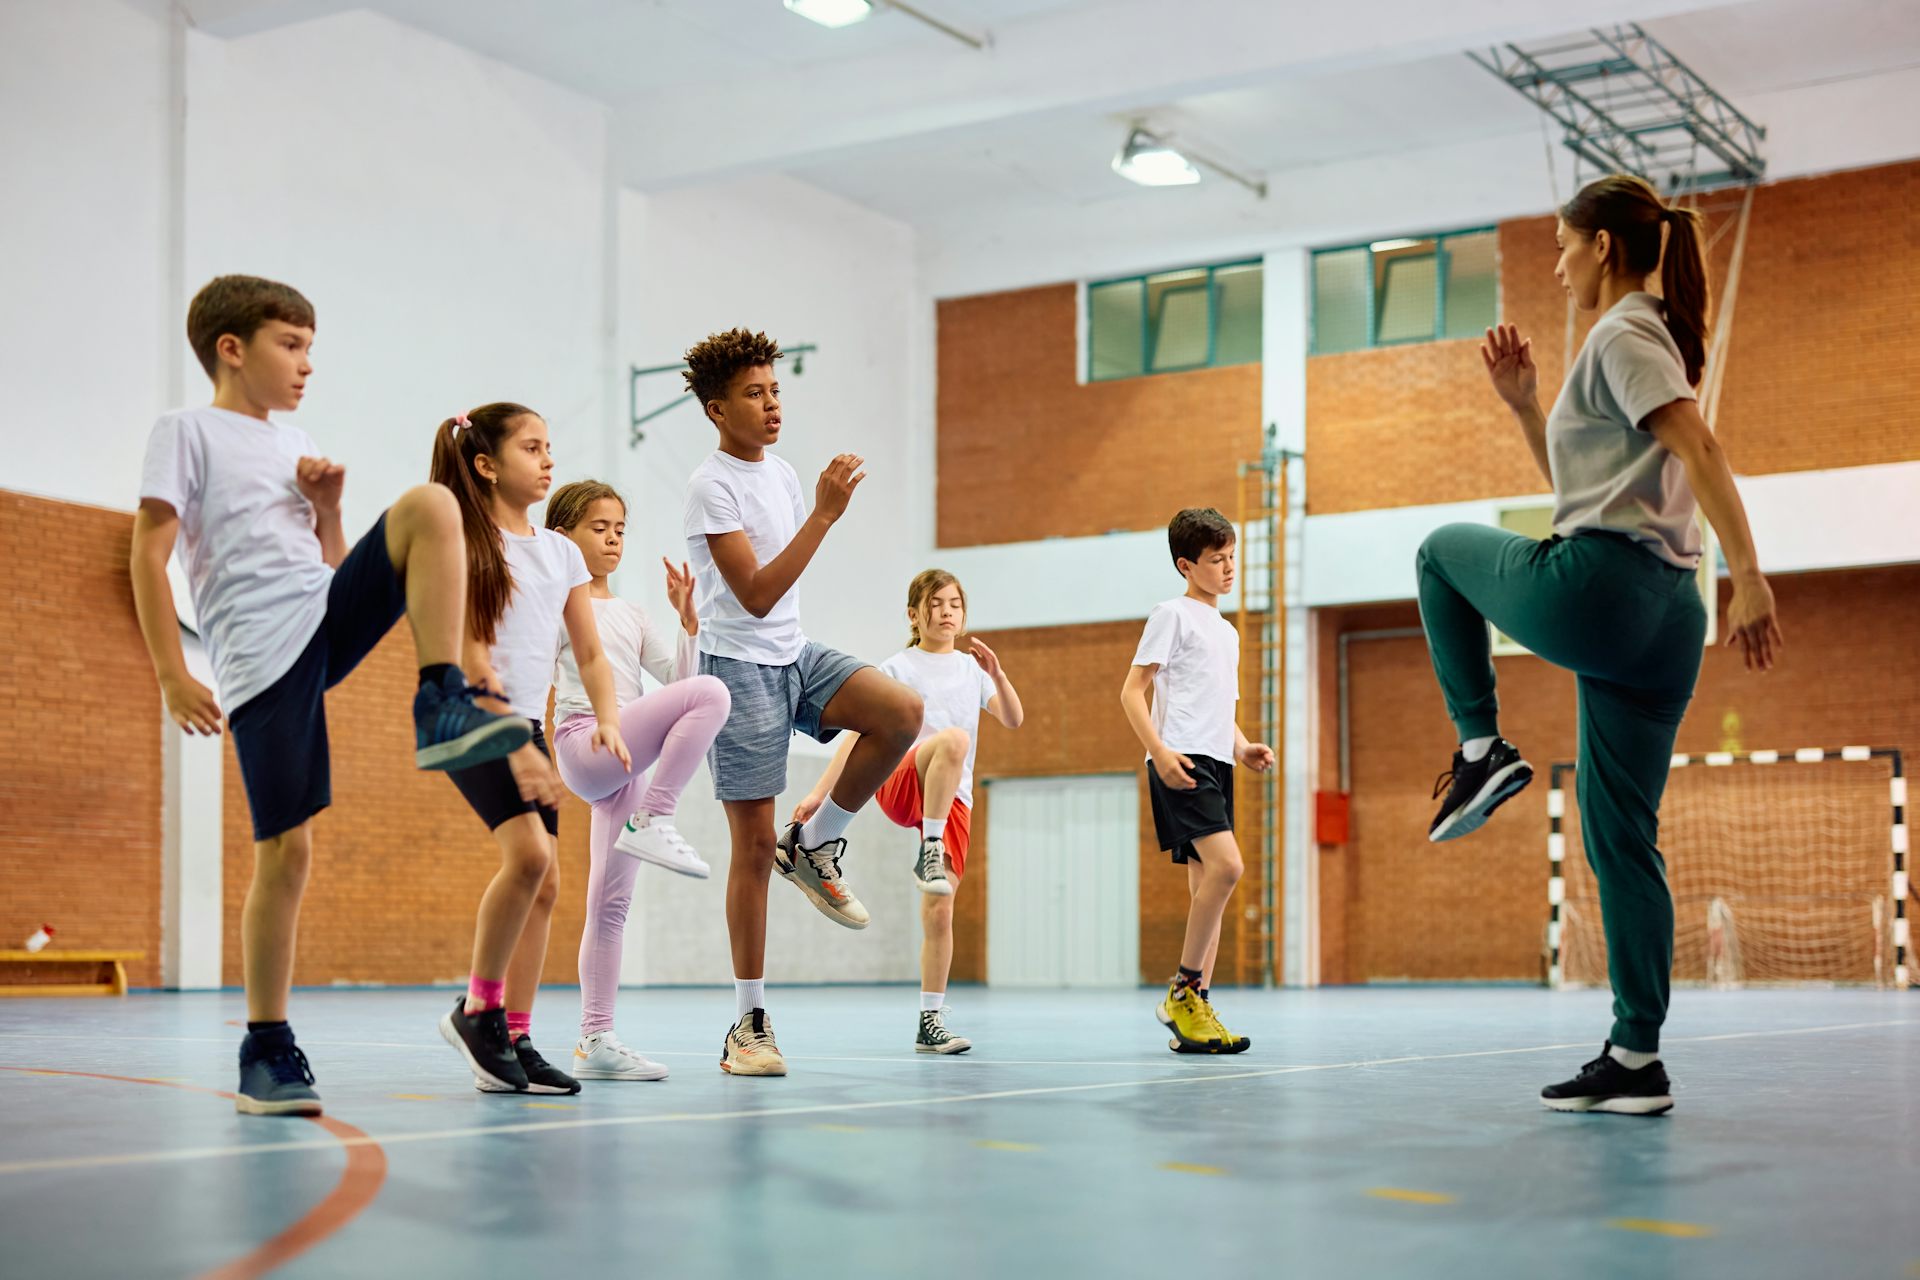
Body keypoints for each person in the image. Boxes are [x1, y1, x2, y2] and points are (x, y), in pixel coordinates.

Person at [1416, 174, 1783, 1116]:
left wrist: (1754, 573)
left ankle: (1479, 748)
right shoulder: (1638, 341)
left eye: (1562, 244)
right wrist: (1525, 404)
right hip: (1666, 620)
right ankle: (1635, 1058)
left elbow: (1701, 447)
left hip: (1608, 591)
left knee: (1439, 552)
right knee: (1622, 838)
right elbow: (1585, 492)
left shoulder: (1622, 332)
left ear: (1605, 248)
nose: (1558, 261)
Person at [130, 275, 528, 1115]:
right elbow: (147, 551)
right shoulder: (186, 431)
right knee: (289, 853)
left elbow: (329, 567)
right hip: (259, 660)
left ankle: (440, 695)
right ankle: (266, 1049)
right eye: (292, 344)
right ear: (231, 349)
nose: (308, 363)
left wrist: (328, 512)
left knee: (431, 504)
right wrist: (171, 670)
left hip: (318, 616)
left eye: (311, 347)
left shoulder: (294, 443)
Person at [680, 327, 922, 1076]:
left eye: (776, 390)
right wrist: (823, 515)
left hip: (795, 655)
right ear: (719, 410)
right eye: (754, 395)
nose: (771, 404)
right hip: (739, 667)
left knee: (901, 712)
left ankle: (813, 843)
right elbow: (752, 596)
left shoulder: (781, 474)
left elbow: (779, 607)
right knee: (749, 850)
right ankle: (748, 1025)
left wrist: (812, 505)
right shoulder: (709, 485)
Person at [428, 404, 632, 1095]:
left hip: (527, 724)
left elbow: (591, 652)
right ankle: (477, 1010)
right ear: (485, 465)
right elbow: (468, 644)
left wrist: (607, 718)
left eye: (551, 448)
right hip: (469, 714)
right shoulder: (464, 536)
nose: (549, 460)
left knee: (546, 885)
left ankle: (513, 1034)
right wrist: (506, 732)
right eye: (532, 448)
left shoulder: (561, 552)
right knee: (531, 856)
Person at [546, 479, 731, 1082]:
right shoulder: (555, 602)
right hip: (586, 740)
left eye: (620, 529)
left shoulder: (631, 612)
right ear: (562, 535)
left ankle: (594, 1039)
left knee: (610, 905)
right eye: (598, 528)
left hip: (628, 756)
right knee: (713, 694)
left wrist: (688, 621)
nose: (612, 539)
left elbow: (677, 678)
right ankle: (656, 817)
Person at [796, 569, 1024, 1053]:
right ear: (914, 614)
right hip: (903, 782)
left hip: (953, 796)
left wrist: (999, 675)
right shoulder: (896, 668)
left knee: (940, 912)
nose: (946, 611)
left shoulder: (971, 670)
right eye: (936, 603)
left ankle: (930, 1019)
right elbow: (859, 737)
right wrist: (820, 792)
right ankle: (931, 846)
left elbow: (1012, 718)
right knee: (954, 740)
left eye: (955, 604)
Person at [1121, 508, 1274, 1055]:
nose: (1229, 568)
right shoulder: (1172, 615)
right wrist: (1159, 752)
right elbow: (1132, 692)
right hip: (1180, 759)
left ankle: (1195, 1016)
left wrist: (1243, 744)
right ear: (1187, 565)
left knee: (1204, 888)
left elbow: (1213, 704)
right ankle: (1182, 991)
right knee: (1229, 867)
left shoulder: (1227, 631)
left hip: (1217, 760)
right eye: (1217, 560)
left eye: (1232, 556)